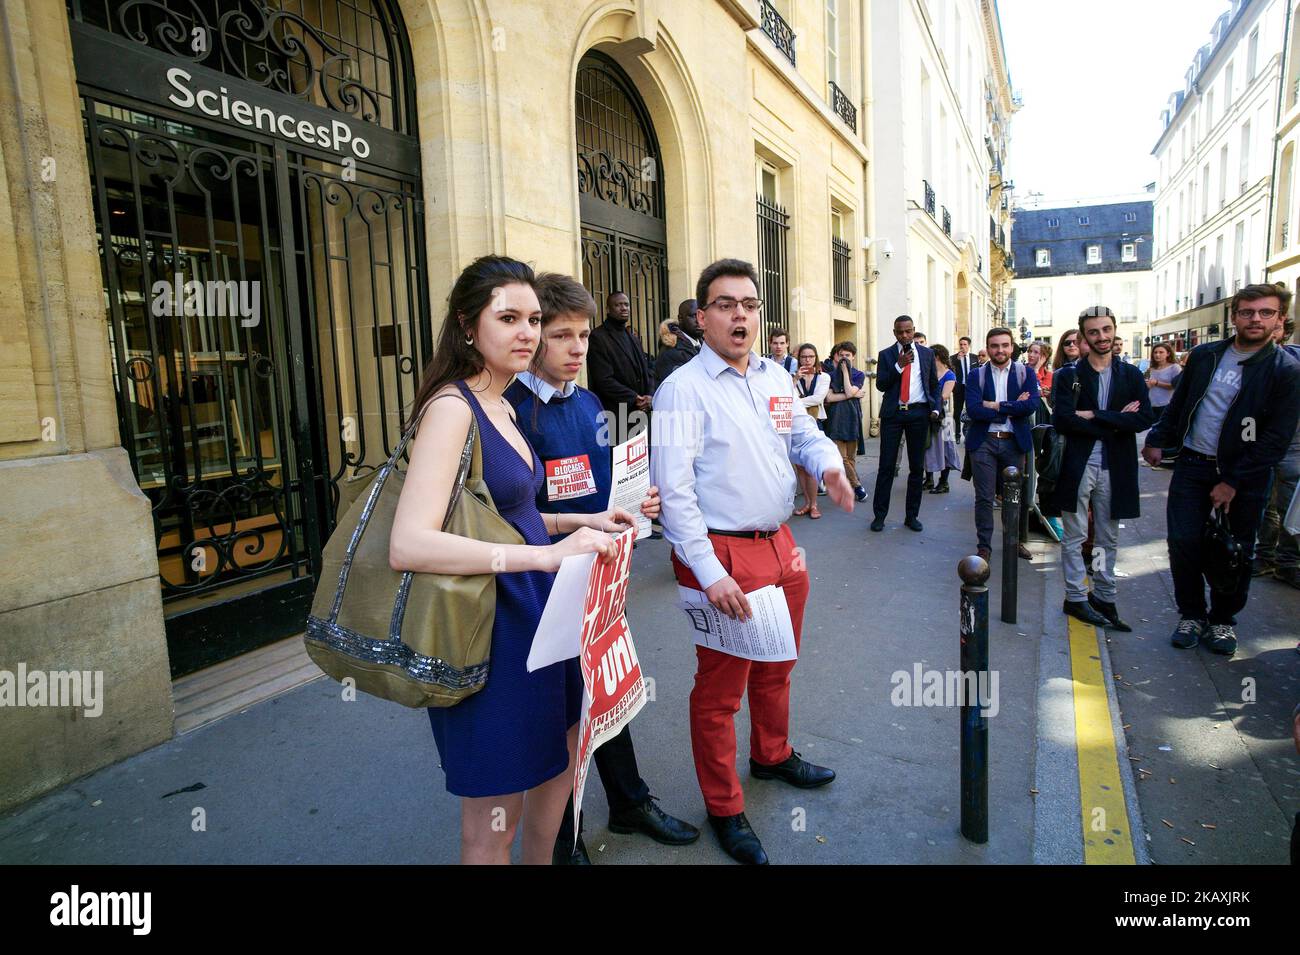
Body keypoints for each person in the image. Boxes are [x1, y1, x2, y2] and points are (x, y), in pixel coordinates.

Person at [389, 255, 627, 865]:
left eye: (533, 319)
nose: (527, 332)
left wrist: (578, 521)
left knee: (562, 768)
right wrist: (546, 560)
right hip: (490, 632)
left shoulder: (504, 405)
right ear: (469, 326)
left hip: (543, 621)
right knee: (493, 824)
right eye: (509, 318)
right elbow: (409, 543)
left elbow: (512, 517)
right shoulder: (452, 409)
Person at [651, 258, 853, 865]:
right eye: (725, 305)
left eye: (749, 305)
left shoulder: (773, 377)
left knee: (777, 666)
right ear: (702, 316)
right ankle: (725, 807)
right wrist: (709, 572)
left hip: (781, 544)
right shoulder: (682, 389)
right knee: (720, 690)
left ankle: (771, 756)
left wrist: (829, 466)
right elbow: (676, 489)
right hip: (722, 552)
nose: (740, 315)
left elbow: (803, 437)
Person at [504, 273, 699, 864]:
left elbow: (602, 482)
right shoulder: (508, 409)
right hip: (538, 584)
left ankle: (629, 802)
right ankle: (563, 840)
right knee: (558, 716)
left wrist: (639, 503)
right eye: (562, 335)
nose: (578, 348)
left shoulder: (590, 403)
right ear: (534, 336)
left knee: (606, 695)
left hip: (600, 575)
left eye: (583, 335)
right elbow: (510, 509)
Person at [1143, 283, 1300, 656]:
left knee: (1237, 549)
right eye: (1247, 312)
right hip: (1193, 464)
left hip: (1245, 475)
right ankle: (1192, 614)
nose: (1256, 319)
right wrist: (1157, 437)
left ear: (1280, 319)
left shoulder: (1285, 371)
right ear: (1234, 316)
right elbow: (1181, 404)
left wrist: (1232, 481)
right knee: (1183, 543)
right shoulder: (1205, 356)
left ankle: (1224, 620)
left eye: (1266, 313)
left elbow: (1274, 439)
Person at [1050, 306, 1154, 629]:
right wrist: (1116, 419)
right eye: (1094, 332)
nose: (1102, 337)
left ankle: (1105, 596)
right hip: (1078, 464)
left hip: (1116, 465)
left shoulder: (1131, 375)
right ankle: (1076, 597)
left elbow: (1143, 418)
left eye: (1106, 330)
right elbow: (1063, 420)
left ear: (1114, 330)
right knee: (1076, 534)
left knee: (1107, 536)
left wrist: (1094, 415)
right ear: (1084, 337)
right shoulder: (1069, 376)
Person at [964, 328, 1039, 562]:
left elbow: (1030, 406)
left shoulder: (1025, 373)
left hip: (1013, 444)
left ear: (1012, 346)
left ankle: (1013, 542)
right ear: (987, 347)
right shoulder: (976, 375)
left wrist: (995, 406)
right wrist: (1010, 407)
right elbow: (974, 409)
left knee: (1013, 498)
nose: (1000, 350)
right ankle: (984, 546)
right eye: (995, 346)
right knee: (984, 498)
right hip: (984, 443)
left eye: (1005, 345)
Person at [871, 315, 940, 532]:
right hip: (893, 415)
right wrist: (898, 366)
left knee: (917, 468)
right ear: (894, 333)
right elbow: (881, 384)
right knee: (886, 467)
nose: (904, 335)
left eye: (908, 331)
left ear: (913, 330)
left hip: (918, 414)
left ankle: (912, 516)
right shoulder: (886, 355)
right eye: (900, 332)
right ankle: (879, 516)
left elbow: (933, 385)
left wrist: (936, 408)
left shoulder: (927, 354)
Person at [1252, 315, 1300, 588]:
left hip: (1292, 444)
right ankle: (1265, 555)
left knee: (1291, 506)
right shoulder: (1247, 361)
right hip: (1261, 441)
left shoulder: (1292, 361)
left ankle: (1287, 561)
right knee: (1265, 505)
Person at [587, 290, 655, 447]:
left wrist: (649, 396)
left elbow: (647, 370)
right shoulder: (598, 337)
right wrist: (634, 398)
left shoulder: (632, 337)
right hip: (616, 417)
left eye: (626, 304)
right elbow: (603, 379)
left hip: (641, 415)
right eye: (618, 305)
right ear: (608, 309)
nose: (624, 308)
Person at [823, 341, 869, 502]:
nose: (844, 358)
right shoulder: (829, 375)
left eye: (847, 355)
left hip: (852, 418)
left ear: (853, 357)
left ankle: (851, 487)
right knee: (841, 458)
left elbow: (849, 390)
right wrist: (853, 394)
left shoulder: (858, 374)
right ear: (837, 356)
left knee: (850, 458)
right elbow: (829, 397)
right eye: (841, 355)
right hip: (836, 419)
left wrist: (845, 374)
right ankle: (857, 486)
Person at [792, 343, 830, 518]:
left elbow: (818, 398)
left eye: (810, 357)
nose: (807, 360)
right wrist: (794, 380)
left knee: (811, 466)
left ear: (816, 358)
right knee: (800, 466)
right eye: (803, 357)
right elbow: (785, 395)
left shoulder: (824, 377)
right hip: (797, 423)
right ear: (798, 359)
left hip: (815, 423)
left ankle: (814, 505)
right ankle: (807, 503)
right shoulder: (793, 377)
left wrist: (797, 401)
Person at [924, 344, 961, 493]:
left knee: (946, 450)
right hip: (929, 414)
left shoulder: (949, 374)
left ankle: (944, 482)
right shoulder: (928, 373)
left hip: (944, 418)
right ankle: (929, 480)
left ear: (937, 356)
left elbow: (944, 395)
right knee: (928, 448)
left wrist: (926, 398)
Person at [655, 298, 702, 383]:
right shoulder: (671, 350)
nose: (698, 321)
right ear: (680, 318)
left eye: (701, 316)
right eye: (693, 316)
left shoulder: (706, 345)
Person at [1144, 343, 1180, 424]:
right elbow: (1148, 382)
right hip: (1152, 404)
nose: (1157, 355)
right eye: (1155, 352)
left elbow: (1176, 386)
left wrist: (1157, 383)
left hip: (1166, 404)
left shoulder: (1174, 367)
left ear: (1168, 353)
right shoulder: (1152, 368)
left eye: (1161, 352)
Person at [952, 336, 975, 441]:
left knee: (972, 411)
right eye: (960, 344)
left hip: (971, 389)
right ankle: (957, 434)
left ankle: (970, 432)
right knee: (957, 412)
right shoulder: (953, 358)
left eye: (965, 344)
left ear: (969, 346)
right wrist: (957, 360)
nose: (962, 346)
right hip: (959, 389)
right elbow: (950, 371)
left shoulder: (975, 358)